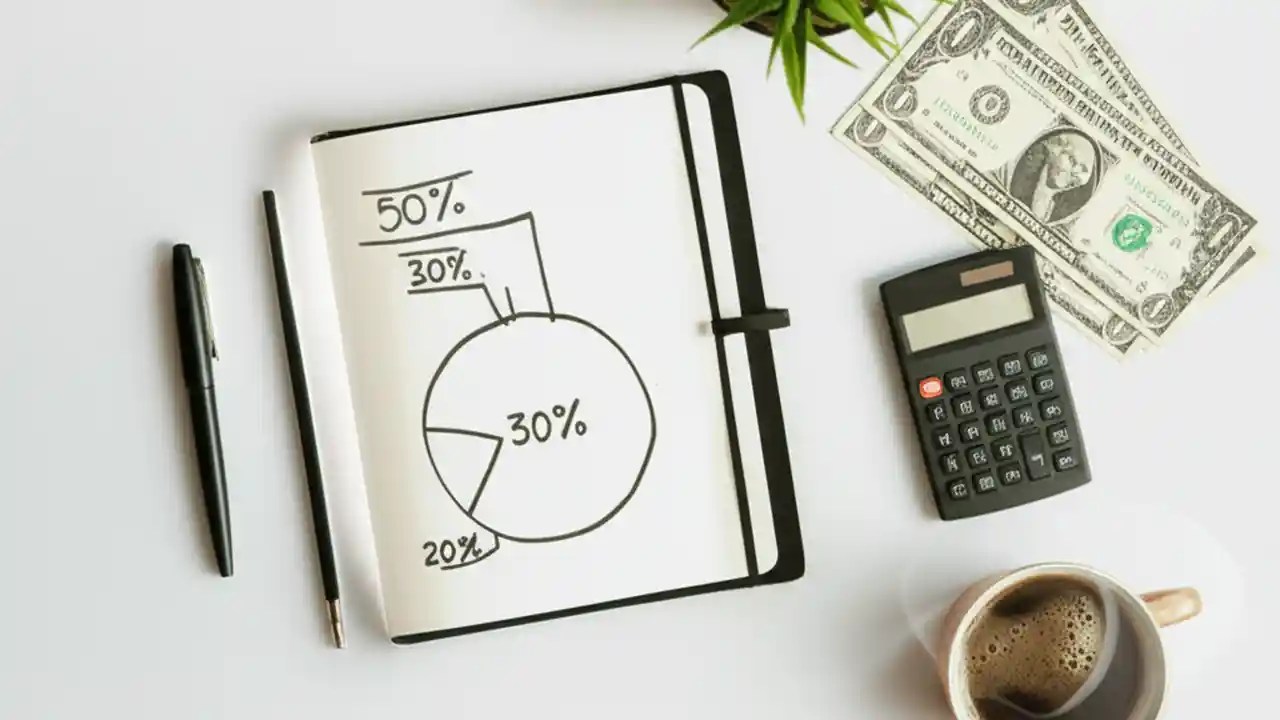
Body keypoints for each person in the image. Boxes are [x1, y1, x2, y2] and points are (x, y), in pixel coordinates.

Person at [1009, 130, 1100, 226]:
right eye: (1072, 161)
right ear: (1056, 149)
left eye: (1079, 178)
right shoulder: (1020, 176)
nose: (1074, 176)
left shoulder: (1061, 211)